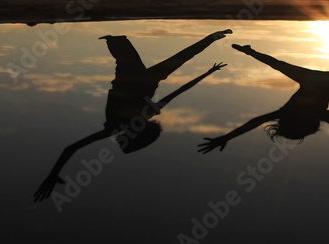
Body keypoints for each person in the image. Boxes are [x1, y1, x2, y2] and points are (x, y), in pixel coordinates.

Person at [33, 30, 231, 203]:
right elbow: (180, 91)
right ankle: (210, 37)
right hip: (138, 80)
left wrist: (53, 174)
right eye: (122, 143)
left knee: (152, 56)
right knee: (173, 59)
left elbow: (71, 148)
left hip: (138, 80)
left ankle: (115, 39)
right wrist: (208, 71)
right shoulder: (120, 127)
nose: (118, 141)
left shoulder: (131, 122)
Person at [197, 44, 329, 161]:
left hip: (316, 81)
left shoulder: (311, 116)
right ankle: (249, 51)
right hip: (316, 80)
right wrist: (226, 137)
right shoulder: (290, 116)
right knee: (277, 64)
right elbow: (256, 122)